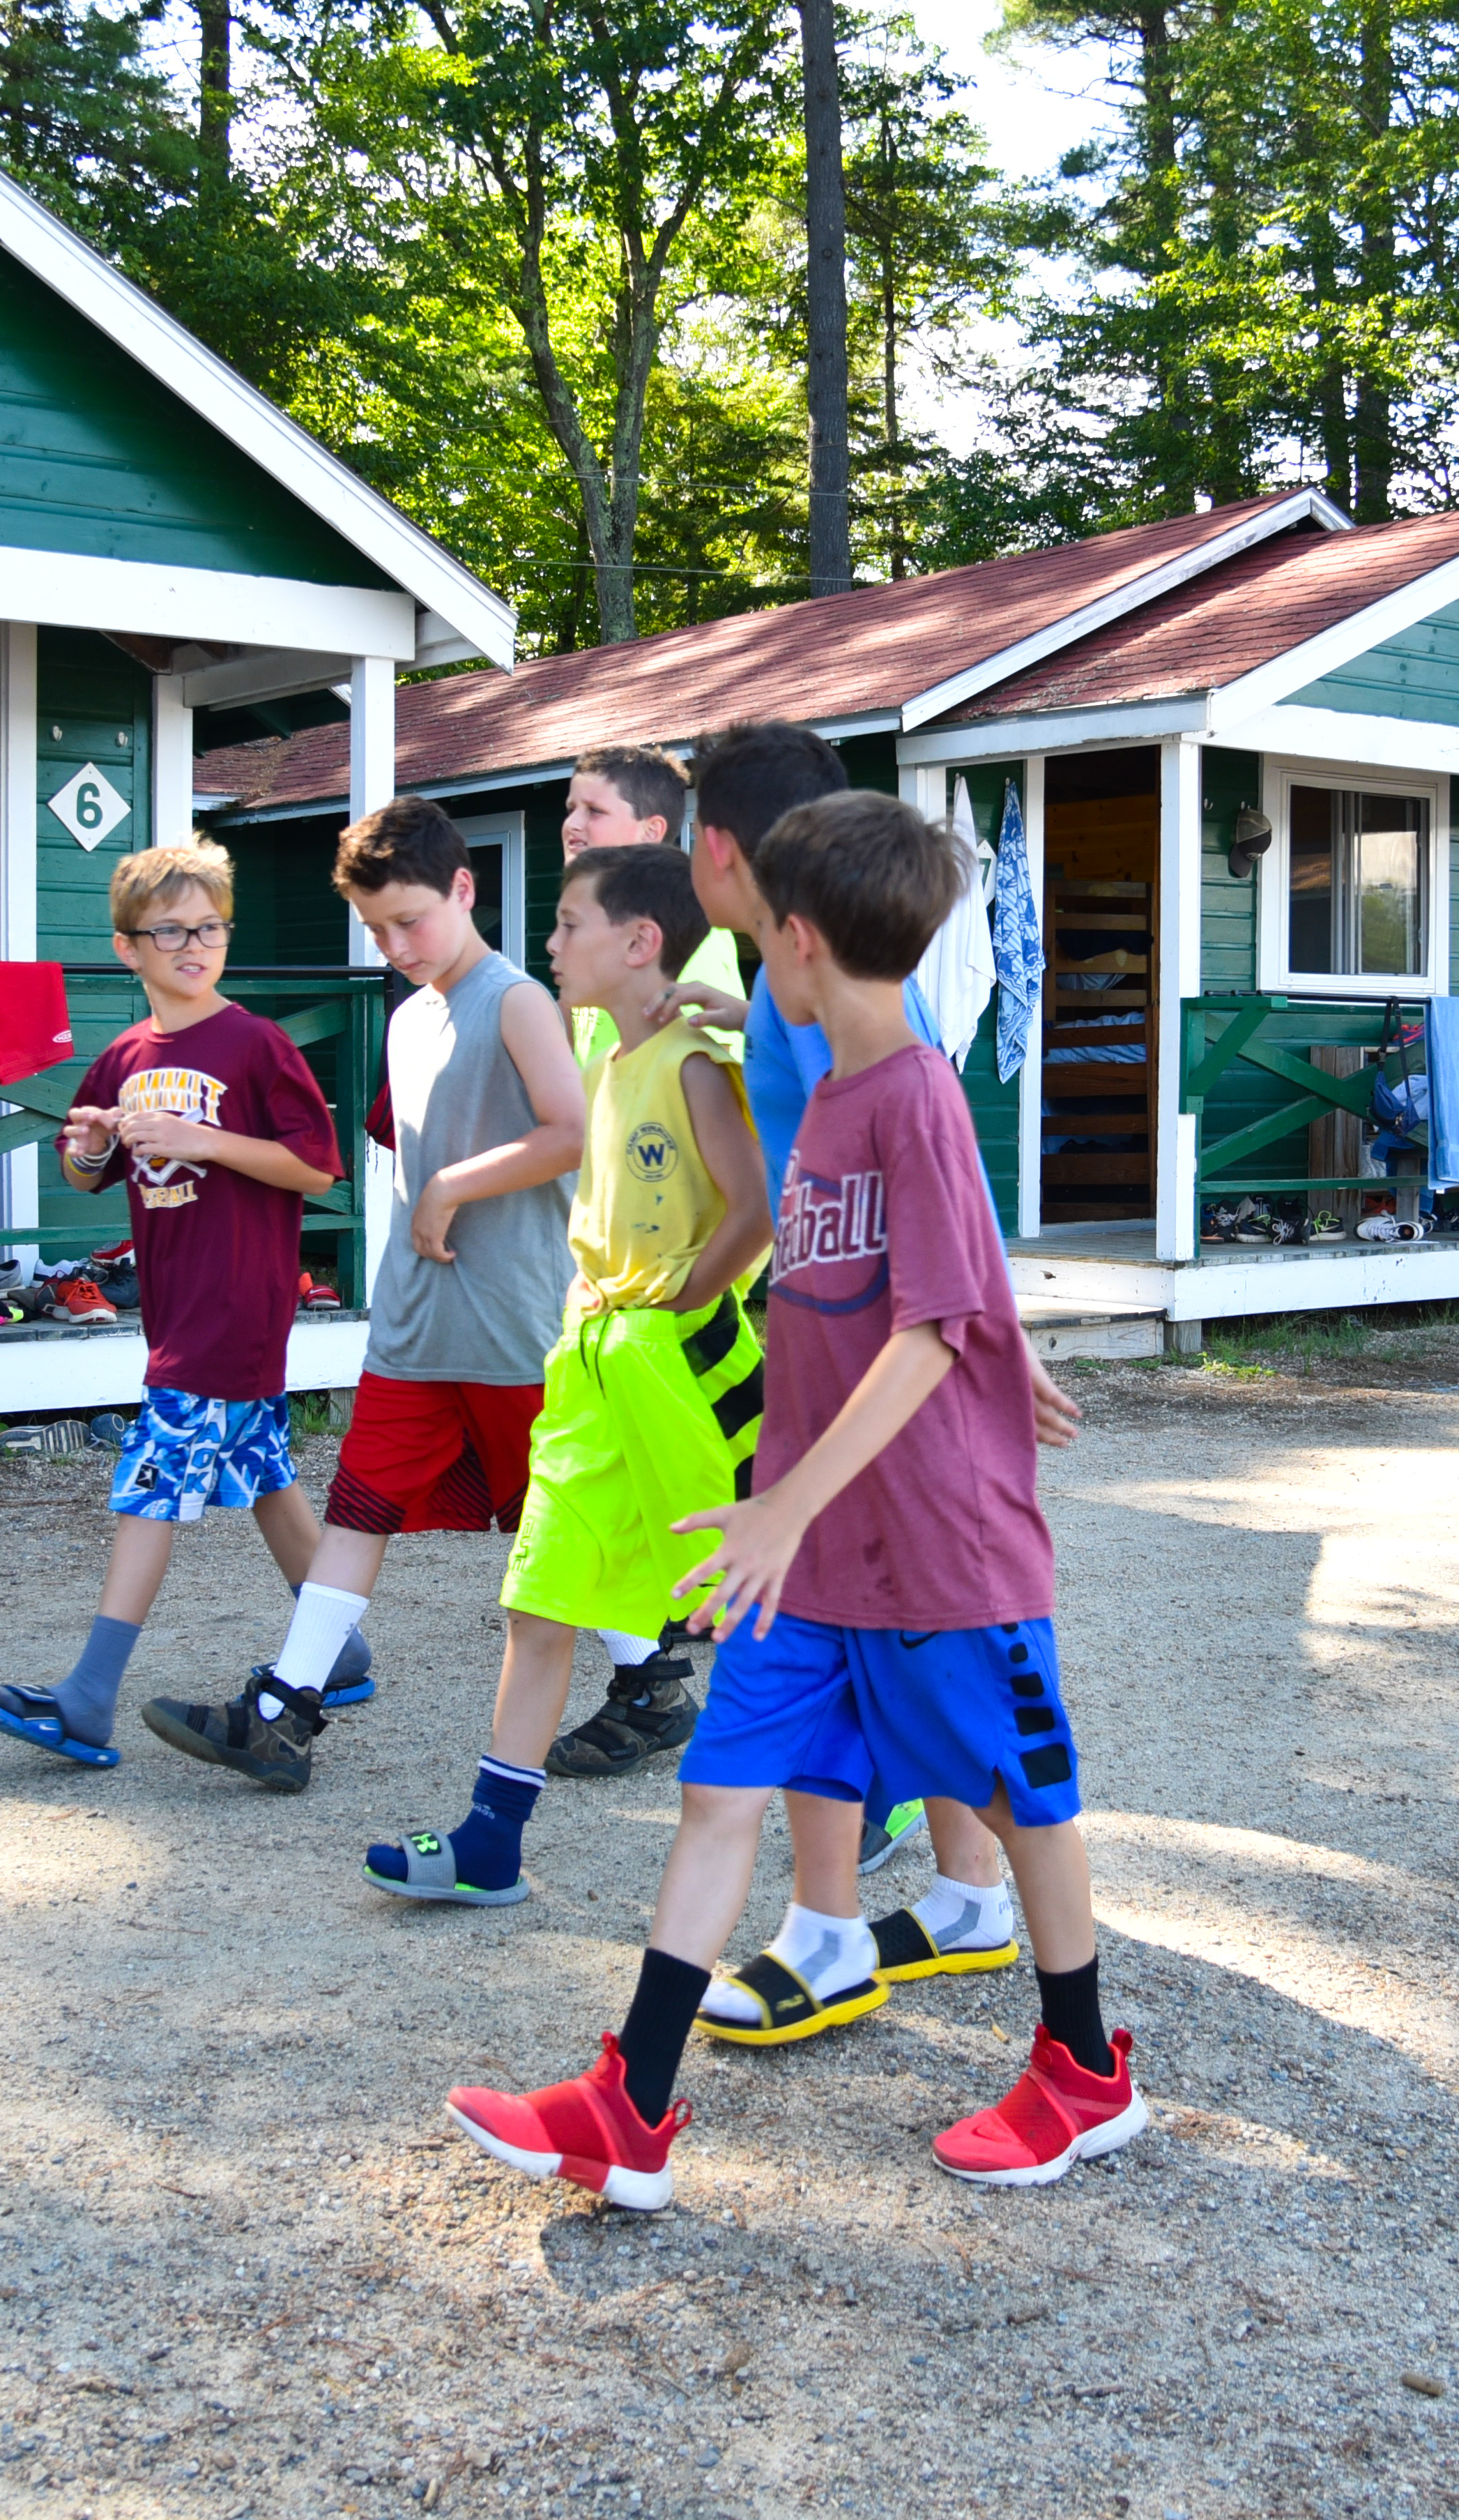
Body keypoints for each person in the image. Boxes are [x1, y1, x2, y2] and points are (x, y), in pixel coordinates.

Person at [442, 789, 1149, 2207]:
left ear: (803, 940)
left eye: (760, 934)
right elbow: (935, 1279)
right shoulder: (827, 1096)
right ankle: (629, 2105)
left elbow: (929, 1328)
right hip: (810, 1550)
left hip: (938, 1544)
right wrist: (807, 1497)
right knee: (717, 1792)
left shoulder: (915, 1095)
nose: (749, 960)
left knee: (1021, 1798)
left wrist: (790, 1498)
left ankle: (1084, 2072)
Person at [669, 720, 1075, 2033]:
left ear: (728, 858)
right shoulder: (796, 1008)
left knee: (920, 1686)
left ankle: (854, 1933)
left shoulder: (857, 1040)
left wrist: (991, 1332)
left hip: (879, 1399)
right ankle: (948, 1900)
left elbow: (930, 1213)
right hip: (843, 1379)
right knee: (864, 1668)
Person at [140, 797, 585, 1792]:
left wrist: (453, 1186)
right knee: (360, 1503)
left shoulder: (517, 1000)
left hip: (516, 1322)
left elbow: (572, 1130)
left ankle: (652, 1674)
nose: (396, 946)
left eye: (410, 921)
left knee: (557, 1521)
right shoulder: (410, 1015)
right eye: (376, 930)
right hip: (416, 1322)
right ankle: (282, 1712)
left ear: (465, 889)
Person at [367, 844, 772, 1902]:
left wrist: (683, 1302)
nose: (549, 943)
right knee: (539, 1600)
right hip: (589, 1366)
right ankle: (490, 1841)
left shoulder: (692, 1063)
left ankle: (885, 1785)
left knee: (753, 1607)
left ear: (640, 942)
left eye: (568, 924)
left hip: (678, 1370)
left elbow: (756, 1206)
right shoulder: (608, 1064)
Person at [0, 842, 354, 1766]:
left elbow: (315, 1167)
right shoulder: (125, 1055)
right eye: (171, 931)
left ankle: (89, 1695)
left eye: (210, 928)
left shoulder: (256, 1044)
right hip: (174, 1302)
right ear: (127, 948)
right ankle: (338, 1650)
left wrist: (203, 1138)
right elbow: (85, 1171)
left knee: (151, 1478)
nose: (194, 946)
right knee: (262, 1467)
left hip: (237, 1300)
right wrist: (91, 1145)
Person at [560, 746, 747, 1077]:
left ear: (650, 832)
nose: (571, 825)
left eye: (594, 811)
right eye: (571, 809)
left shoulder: (692, 928)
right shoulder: (594, 925)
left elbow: (710, 1062)